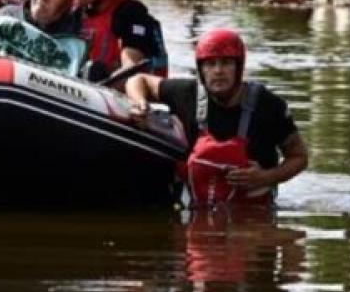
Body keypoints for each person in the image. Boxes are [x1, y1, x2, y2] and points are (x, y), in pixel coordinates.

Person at [124, 29, 308, 206]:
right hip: (199, 209)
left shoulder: (269, 106)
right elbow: (138, 80)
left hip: (254, 216)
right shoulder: (187, 94)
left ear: (239, 67)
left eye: (227, 63)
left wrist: (265, 177)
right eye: (210, 64)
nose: (218, 71)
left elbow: (299, 157)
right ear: (201, 70)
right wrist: (140, 103)